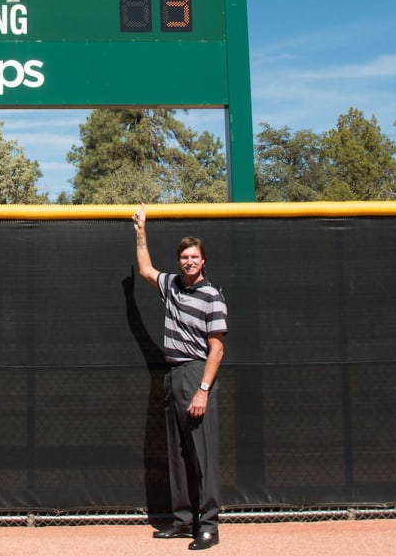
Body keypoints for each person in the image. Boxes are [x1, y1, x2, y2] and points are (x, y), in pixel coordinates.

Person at [132, 206, 227, 551]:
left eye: (194, 257)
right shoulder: (172, 286)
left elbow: (217, 349)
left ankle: (209, 525)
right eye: (184, 257)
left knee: (203, 455)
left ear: (203, 261)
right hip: (172, 375)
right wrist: (141, 231)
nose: (189, 262)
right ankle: (184, 521)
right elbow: (145, 269)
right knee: (178, 453)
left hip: (196, 373)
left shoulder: (212, 296)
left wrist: (203, 390)